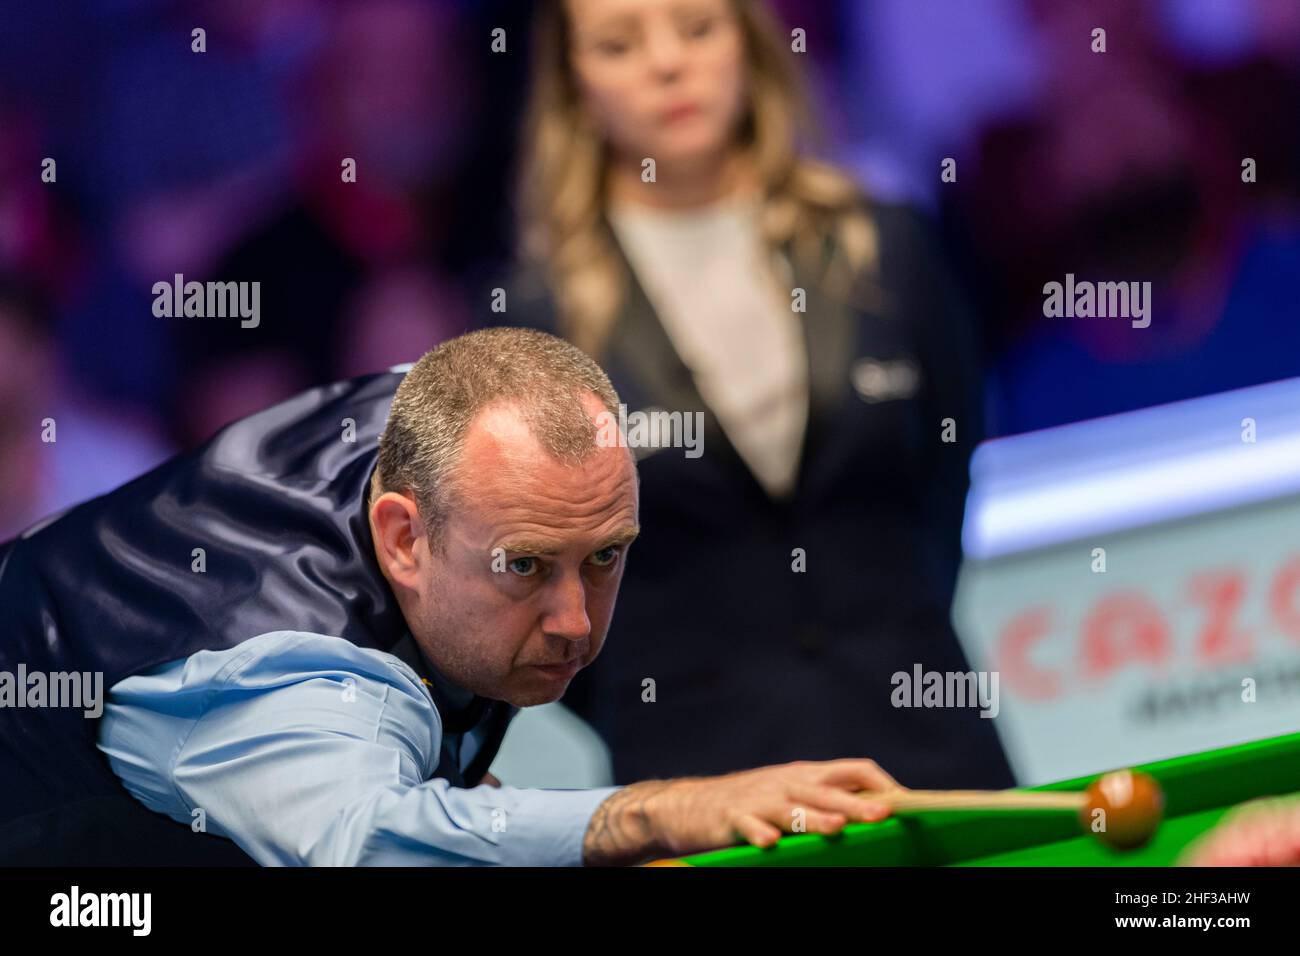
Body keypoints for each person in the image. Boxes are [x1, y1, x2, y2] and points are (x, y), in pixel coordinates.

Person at [0, 327, 900, 866]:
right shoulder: (276, 672)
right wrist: (649, 811)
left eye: (605, 557)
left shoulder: (447, 418)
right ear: (402, 538)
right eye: (525, 566)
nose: (574, 622)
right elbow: (367, 840)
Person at [489, 0, 1014, 788]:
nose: (669, 64)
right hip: (697, 781)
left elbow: (946, 478)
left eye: (698, 28)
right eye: (619, 44)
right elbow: (538, 586)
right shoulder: (539, 318)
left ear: (750, 45)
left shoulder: (884, 243)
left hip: (928, 756)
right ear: (573, 85)